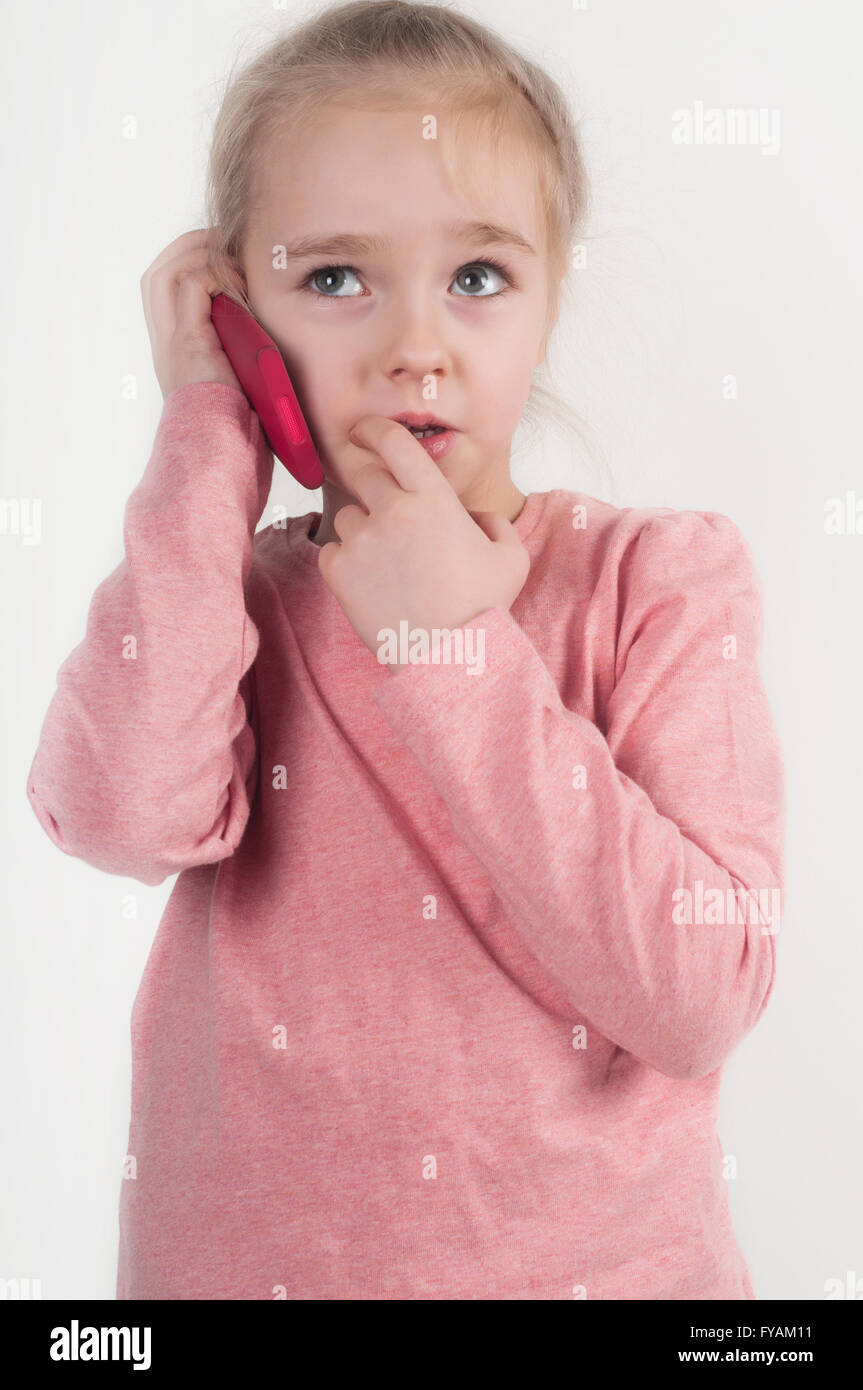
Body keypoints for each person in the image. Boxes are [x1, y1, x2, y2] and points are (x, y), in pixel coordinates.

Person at [26, 0, 785, 1299]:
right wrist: (211, 434)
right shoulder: (230, 593)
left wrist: (449, 644)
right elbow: (112, 815)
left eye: (477, 276)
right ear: (238, 313)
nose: (415, 346)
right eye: (334, 278)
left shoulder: (657, 580)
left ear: (547, 298)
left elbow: (703, 989)